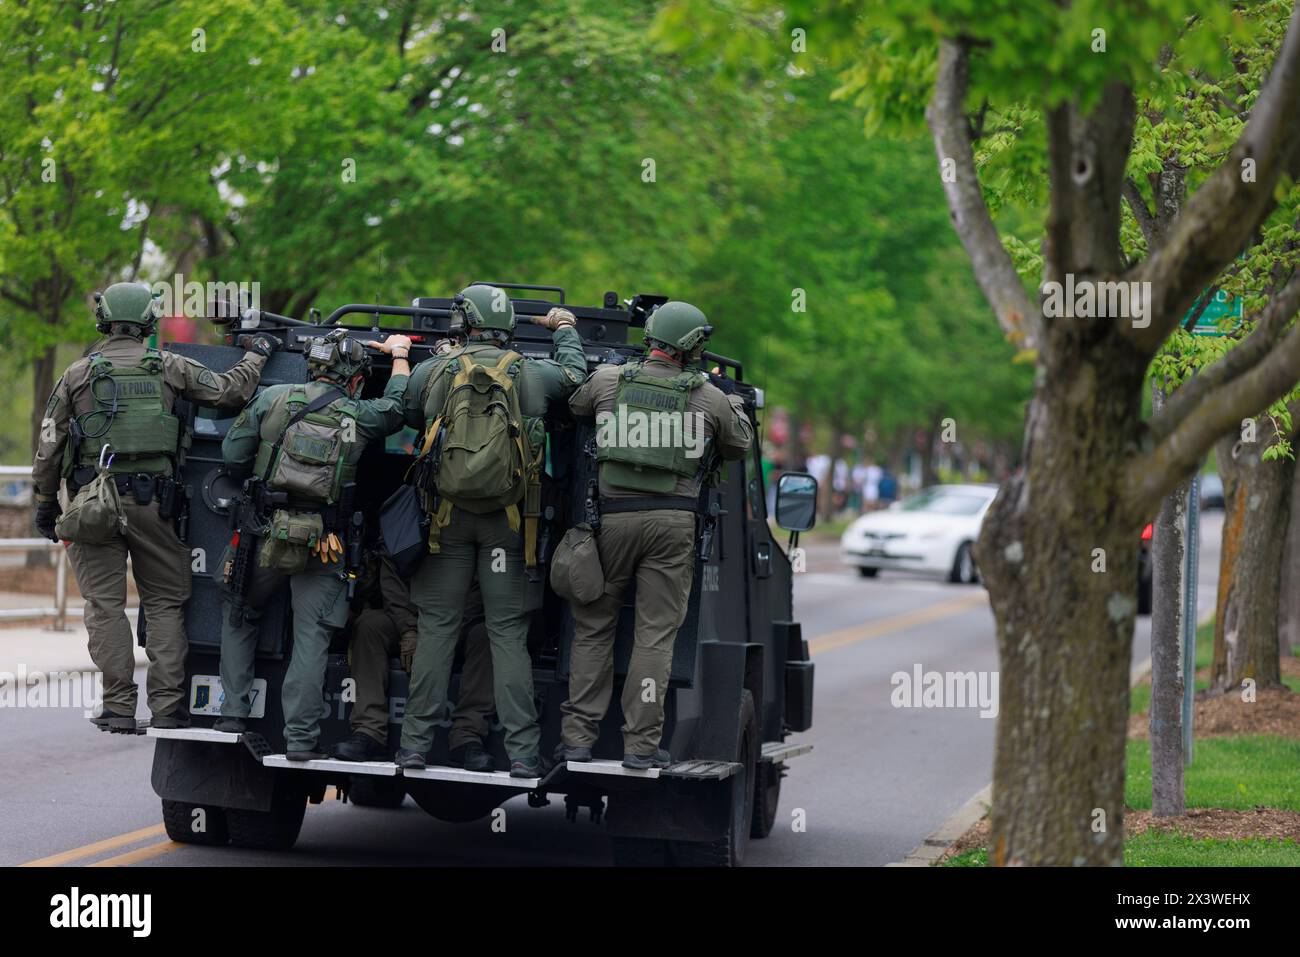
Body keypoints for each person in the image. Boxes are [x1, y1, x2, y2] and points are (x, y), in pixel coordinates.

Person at [32, 282, 276, 732]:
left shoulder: (77, 374)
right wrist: (257, 353)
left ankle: (119, 708)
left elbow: (49, 446)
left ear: (104, 319)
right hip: (155, 503)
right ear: (148, 320)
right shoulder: (168, 366)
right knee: (165, 603)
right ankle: (167, 708)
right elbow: (228, 392)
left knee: (103, 607)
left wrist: (46, 504)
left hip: (91, 504)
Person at [396, 284, 586, 778]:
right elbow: (575, 378)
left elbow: (407, 409)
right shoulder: (532, 373)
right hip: (509, 524)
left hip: (445, 521)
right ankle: (523, 755)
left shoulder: (437, 369)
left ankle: (414, 746)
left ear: (465, 321)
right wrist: (564, 329)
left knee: (437, 627)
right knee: (506, 634)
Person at [558, 300, 753, 769]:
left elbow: (575, 405)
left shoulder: (608, 381)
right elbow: (739, 444)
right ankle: (641, 749)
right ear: (692, 346)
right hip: (673, 524)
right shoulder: (709, 398)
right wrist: (738, 405)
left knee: (593, 630)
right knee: (654, 638)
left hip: (610, 521)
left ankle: (578, 741)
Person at [213, 328, 411, 760]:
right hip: (325, 541)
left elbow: (232, 456)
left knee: (240, 614)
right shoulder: (359, 415)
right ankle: (300, 742)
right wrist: (399, 356)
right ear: (356, 380)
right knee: (312, 638)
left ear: (313, 367)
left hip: (262, 532)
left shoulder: (272, 399)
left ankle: (232, 715)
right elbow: (399, 408)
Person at [333, 554, 496, 771]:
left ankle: (467, 735)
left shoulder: (468, 525)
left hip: (456, 621)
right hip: (406, 617)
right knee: (369, 626)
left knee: (486, 635)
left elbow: (479, 592)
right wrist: (409, 629)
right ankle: (369, 730)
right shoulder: (405, 523)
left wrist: (439, 632)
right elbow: (391, 585)